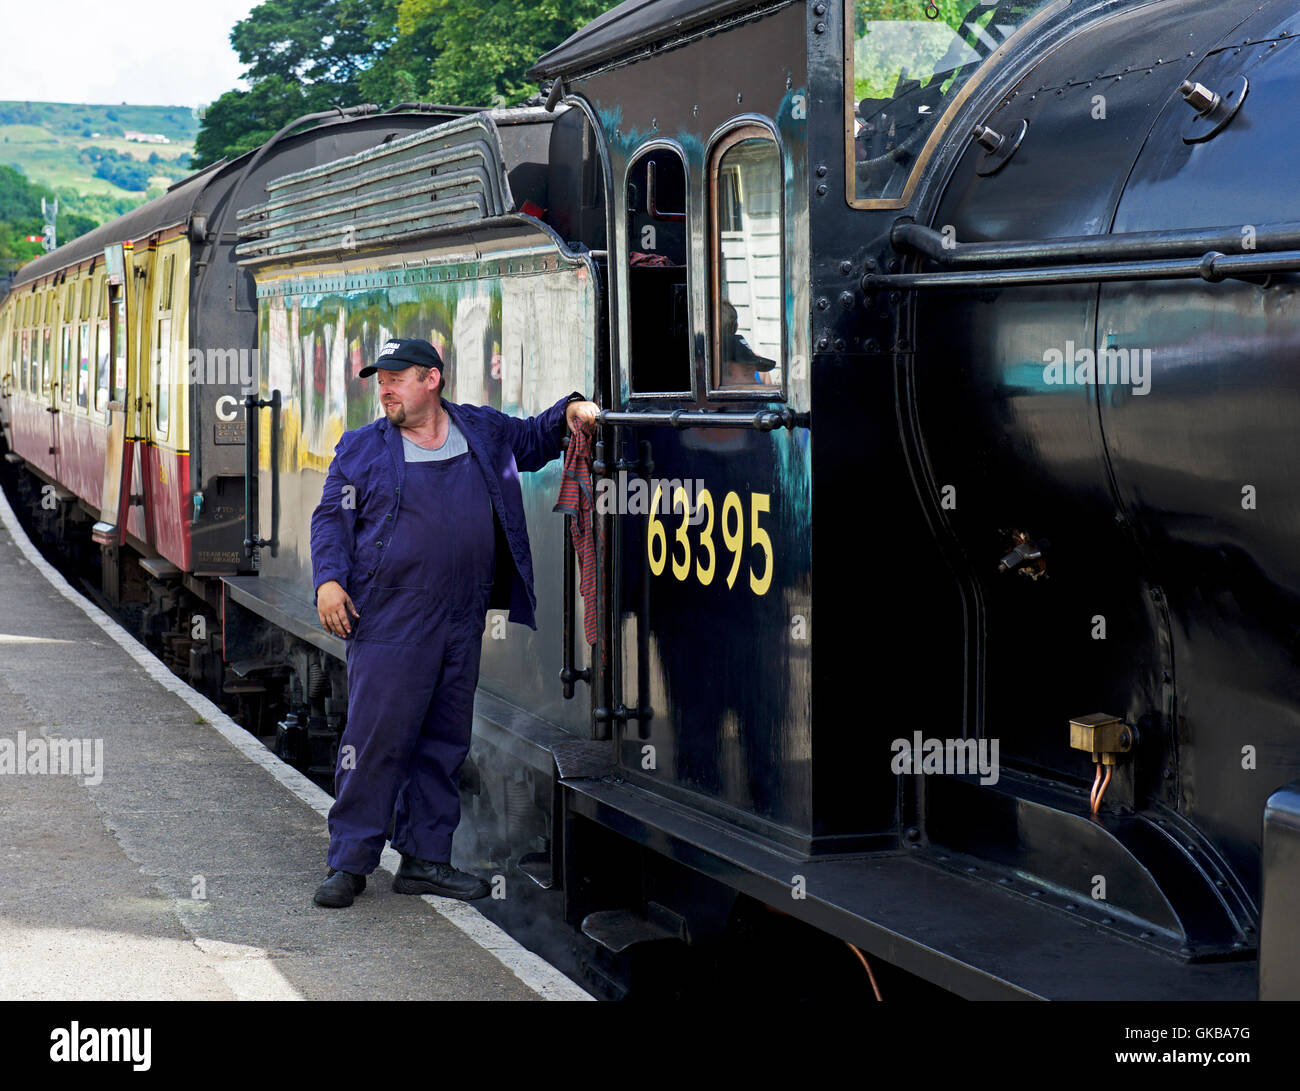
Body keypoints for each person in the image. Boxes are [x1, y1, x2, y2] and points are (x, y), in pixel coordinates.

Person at [309, 337, 599, 908]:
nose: (384, 389)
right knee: (375, 742)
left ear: (431, 380)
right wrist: (328, 580)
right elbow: (330, 518)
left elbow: (538, 436)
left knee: (444, 741)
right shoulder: (362, 448)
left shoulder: (481, 432)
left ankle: (424, 860)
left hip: (462, 614)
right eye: (380, 380)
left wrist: (571, 410)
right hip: (389, 614)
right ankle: (348, 863)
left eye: (396, 378)